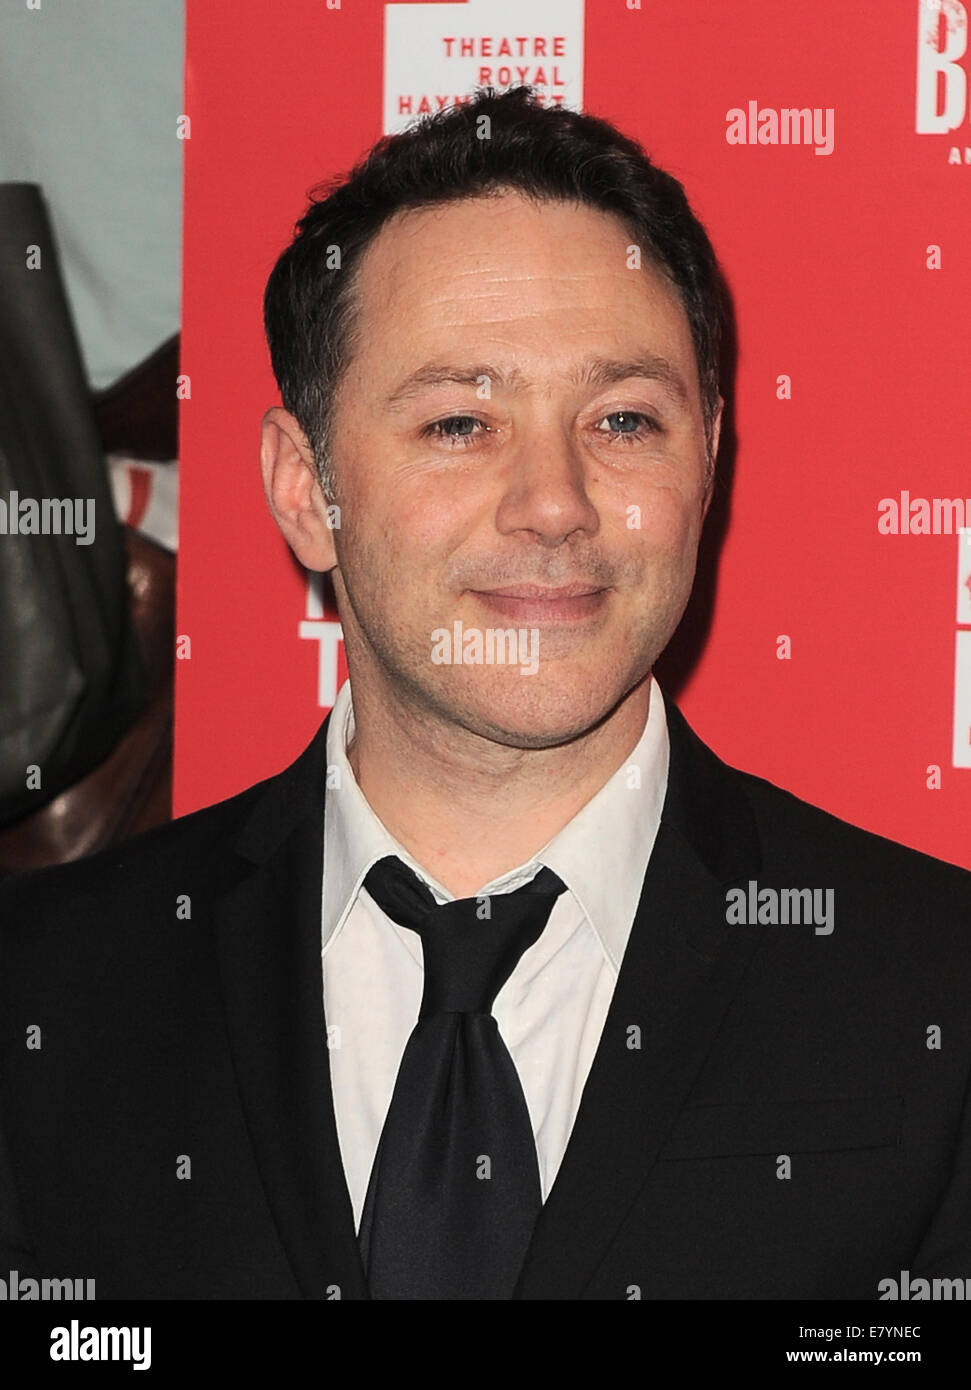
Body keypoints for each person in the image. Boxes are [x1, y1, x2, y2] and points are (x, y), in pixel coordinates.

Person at [1, 85, 969, 1302]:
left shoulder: (929, 988)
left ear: (708, 460)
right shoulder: (47, 994)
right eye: (460, 423)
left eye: (622, 419)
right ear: (305, 488)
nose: (555, 502)